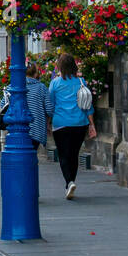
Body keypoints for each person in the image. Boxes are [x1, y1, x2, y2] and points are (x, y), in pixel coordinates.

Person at [49, 53, 95, 200]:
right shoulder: (81, 82)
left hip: (61, 123)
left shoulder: (55, 83)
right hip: (79, 123)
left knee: (63, 155)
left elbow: (50, 105)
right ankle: (71, 182)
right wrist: (92, 124)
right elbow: (88, 105)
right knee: (74, 154)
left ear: (60, 66)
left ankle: (69, 182)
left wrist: (48, 122)